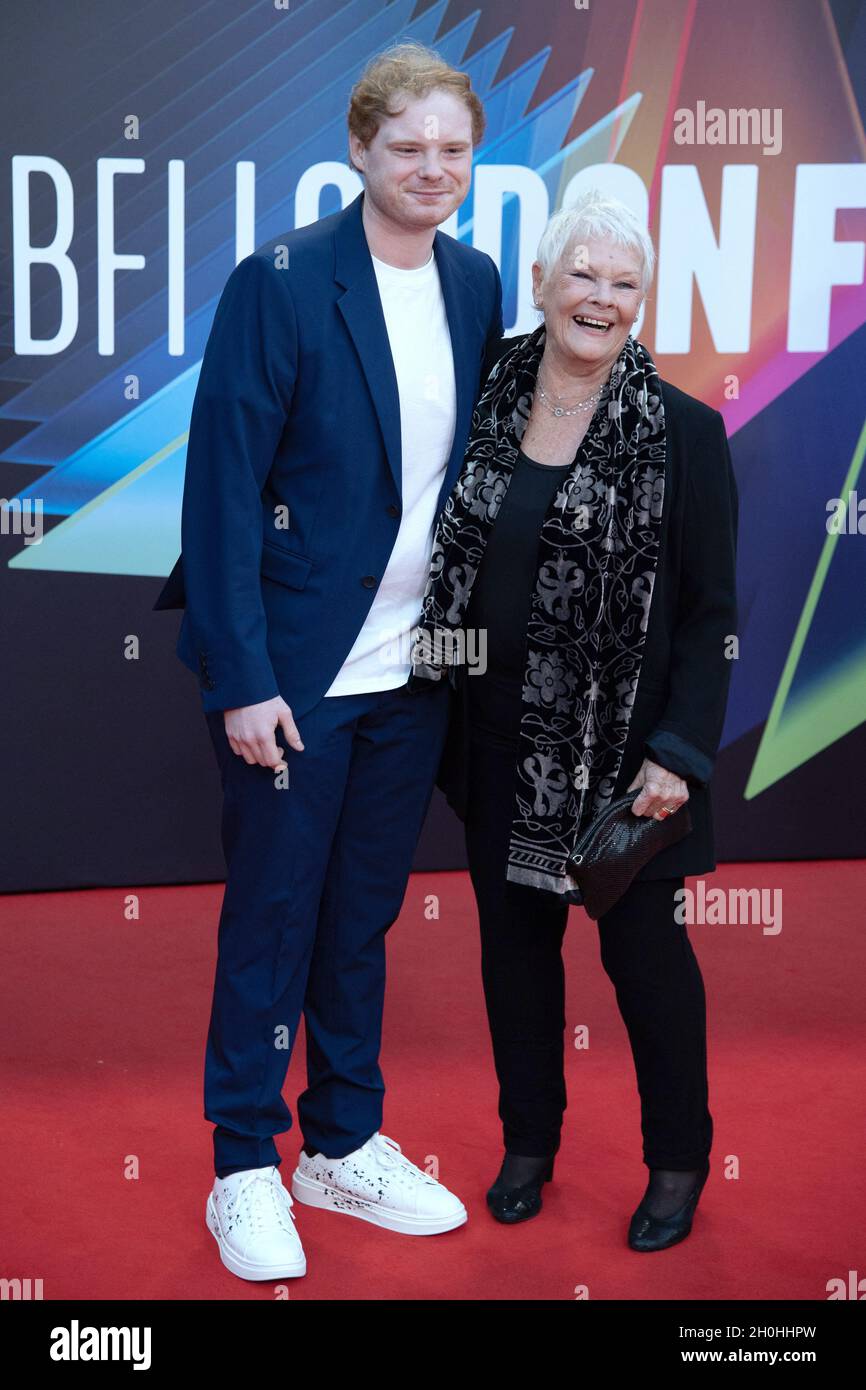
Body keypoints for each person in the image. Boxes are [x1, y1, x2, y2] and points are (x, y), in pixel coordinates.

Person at [152, 41, 503, 1281]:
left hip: (410, 677)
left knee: (360, 921)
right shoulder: (282, 280)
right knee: (273, 919)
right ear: (357, 150)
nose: (430, 168)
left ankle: (339, 1144)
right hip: (292, 675)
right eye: (405, 145)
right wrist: (243, 676)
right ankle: (244, 1163)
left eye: (452, 148)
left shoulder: (473, 280)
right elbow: (224, 492)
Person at [409, 189, 738, 1251]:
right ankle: (528, 1141)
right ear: (541, 284)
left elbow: (707, 613)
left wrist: (675, 759)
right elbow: (442, 558)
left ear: (642, 302)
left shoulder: (683, 432)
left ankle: (678, 1158)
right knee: (513, 956)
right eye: (579, 276)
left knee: (645, 968)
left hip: (623, 761)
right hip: (494, 742)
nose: (597, 298)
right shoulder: (484, 391)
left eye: (622, 283)